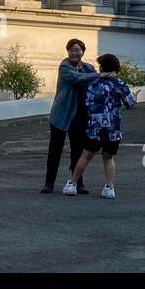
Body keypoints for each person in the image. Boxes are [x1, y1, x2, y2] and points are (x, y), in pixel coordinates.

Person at [65, 53, 137, 200]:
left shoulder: (93, 83)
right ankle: (109, 188)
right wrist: (134, 97)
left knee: (86, 155)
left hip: (95, 126)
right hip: (113, 127)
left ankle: (72, 184)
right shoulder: (119, 84)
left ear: (102, 67)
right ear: (116, 67)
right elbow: (130, 104)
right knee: (108, 157)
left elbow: (87, 103)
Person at [41, 39, 100, 194]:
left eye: (78, 50)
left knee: (78, 151)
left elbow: (95, 87)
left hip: (80, 115)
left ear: (83, 52)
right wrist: (100, 75)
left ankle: (77, 183)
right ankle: (49, 183)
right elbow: (77, 78)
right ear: (68, 52)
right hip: (61, 114)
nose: (75, 53)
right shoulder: (65, 66)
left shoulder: (88, 68)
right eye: (72, 50)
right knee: (55, 150)